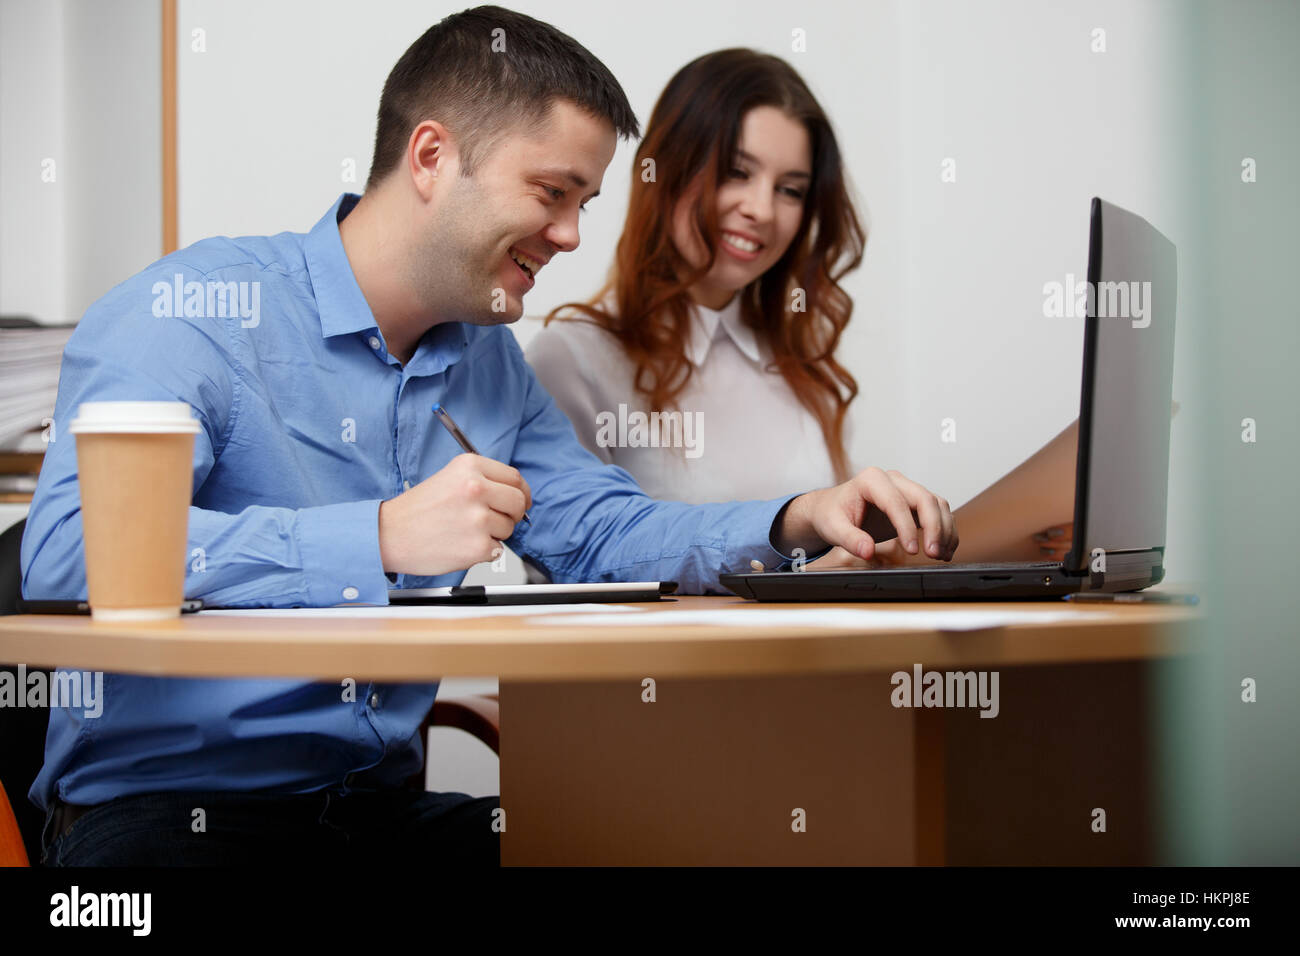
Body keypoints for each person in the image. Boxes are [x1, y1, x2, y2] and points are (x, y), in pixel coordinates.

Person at [19, 7, 957, 868]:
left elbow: (600, 533)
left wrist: (798, 518)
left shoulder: (488, 361)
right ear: (432, 157)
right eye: (553, 191)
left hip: (379, 816)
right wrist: (378, 537)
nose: (572, 234)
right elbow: (66, 553)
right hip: (171, 820)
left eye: (586, 201)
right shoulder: (194, 312)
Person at [527, 48, 1072, 571]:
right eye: (737, 173)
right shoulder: (572, 359)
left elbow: (838, 552)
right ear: (664, 172)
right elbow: (578, 557)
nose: (762, 210)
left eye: (790, 190)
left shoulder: (802, 369)